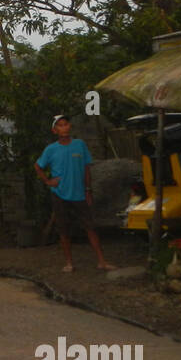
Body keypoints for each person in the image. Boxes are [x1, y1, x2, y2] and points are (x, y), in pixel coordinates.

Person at [34, 115, 116, 273]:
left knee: (91, 227)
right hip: (60, 194)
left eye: (65, 124)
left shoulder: (80, 145)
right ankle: (69, 263)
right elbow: (38, 166)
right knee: (64, 230)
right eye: (60, 125)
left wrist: (88, 190)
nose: (63, 127)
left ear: (69, 127)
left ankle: (102, 261)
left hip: (79, 194)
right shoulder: (51, 149)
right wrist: (48, 181)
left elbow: (86, 169)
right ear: (55, 130)